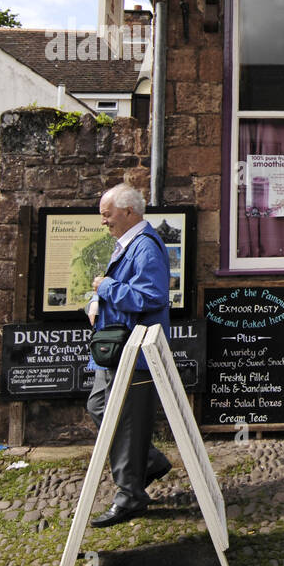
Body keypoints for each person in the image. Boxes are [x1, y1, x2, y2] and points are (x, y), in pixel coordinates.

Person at [85, 183, 172, 526]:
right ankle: (148, 462)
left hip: (134, 352)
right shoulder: (128, 245)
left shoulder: (145, 248)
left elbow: (152, 297)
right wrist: (97, 300)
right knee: (99, 408)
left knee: (124, 424)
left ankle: (130, 495)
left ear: (128, 212)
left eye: (107, 214)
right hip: (116, 349)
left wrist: (105, 287)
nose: (103, 221)